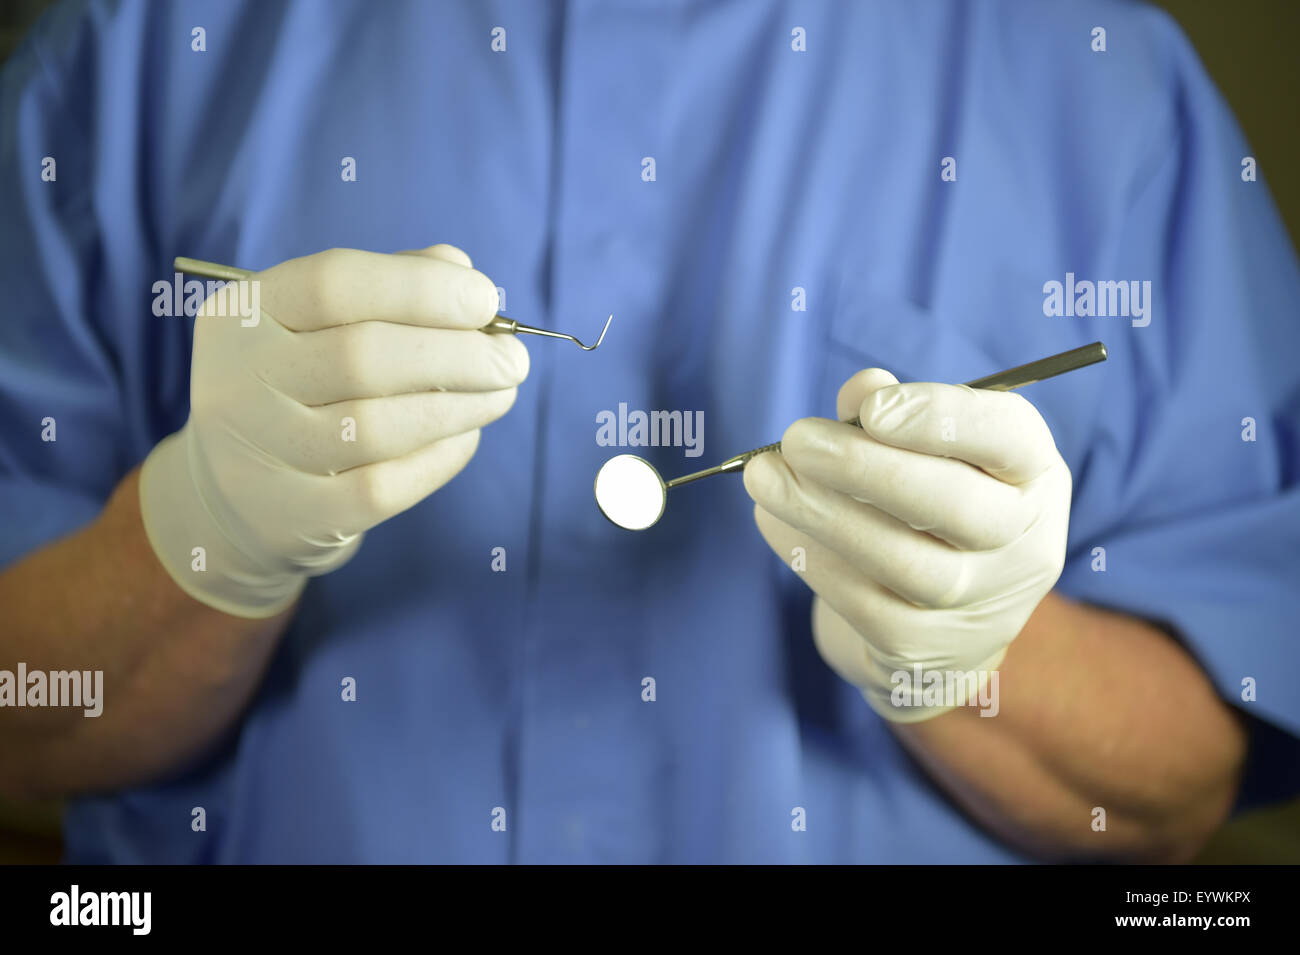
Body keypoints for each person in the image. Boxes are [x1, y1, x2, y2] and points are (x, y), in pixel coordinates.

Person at [1, 0, 1297, 864]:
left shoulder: (1092, 80)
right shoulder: (142, 58)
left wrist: (959, 655)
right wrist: (202, 532)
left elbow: (1184, 778)